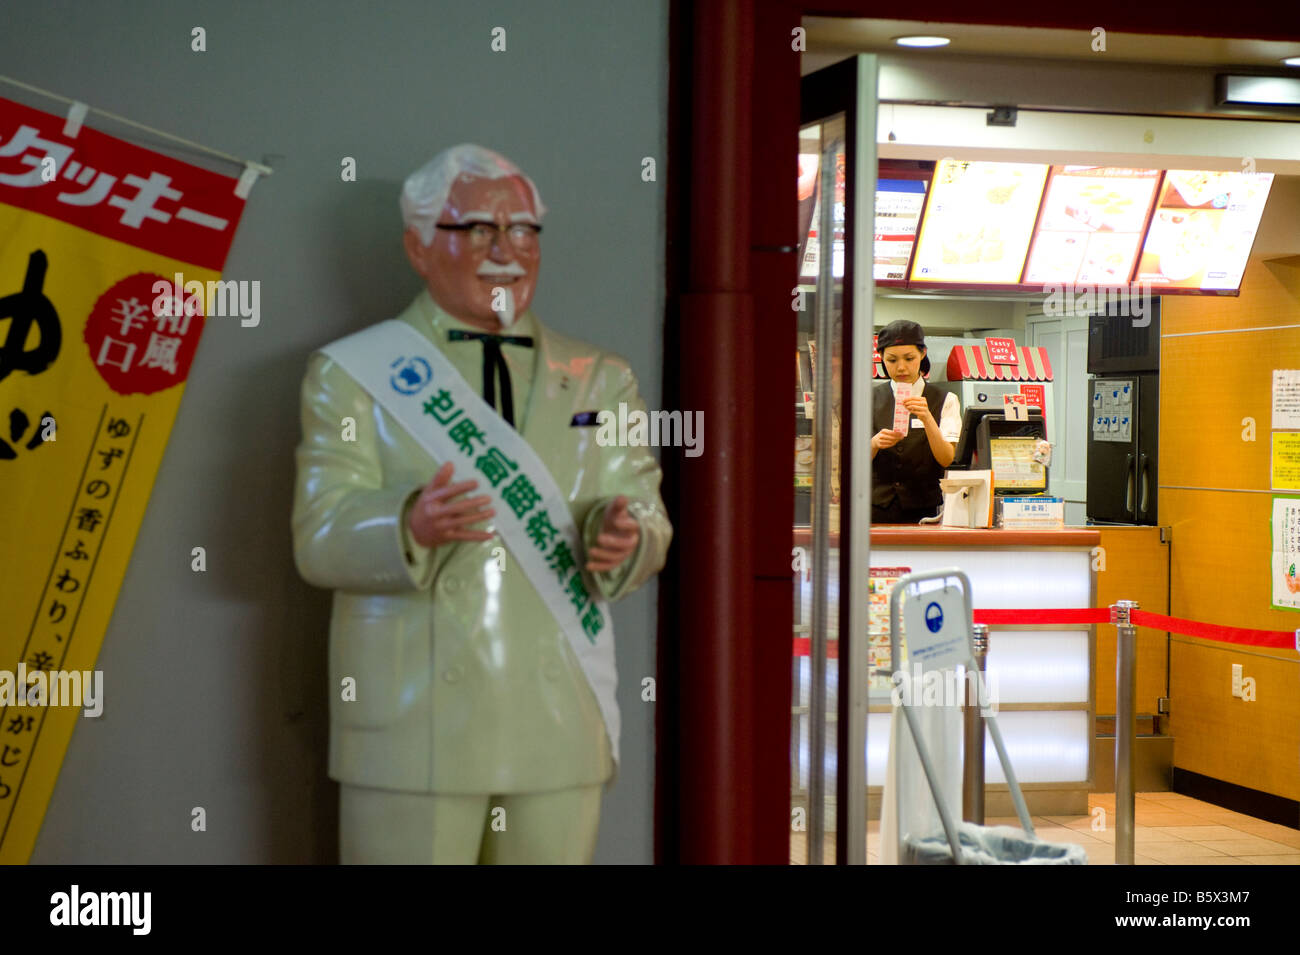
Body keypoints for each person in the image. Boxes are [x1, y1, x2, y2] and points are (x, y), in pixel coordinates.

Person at [291, 144, 672, 864]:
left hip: (559, 716)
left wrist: (625, 538)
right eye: (479, 230)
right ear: (418, 245)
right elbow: (319, 533)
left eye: (524, 230)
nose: (507, 251)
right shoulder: (353, 373)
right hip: (414, 720)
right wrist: (406, 524)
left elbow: (647, 514)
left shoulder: (600, 377)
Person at [870, 320, 961, 524]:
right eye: (892, 360)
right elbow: (850, 463)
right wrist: (874, 444)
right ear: (882, 358)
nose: (901, 367)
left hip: (925, 511)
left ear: (922, 354)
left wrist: (928, 419)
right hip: (875, 509)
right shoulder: (867, 399)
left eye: (909, 358)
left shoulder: (946, 400)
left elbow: (947, 459)